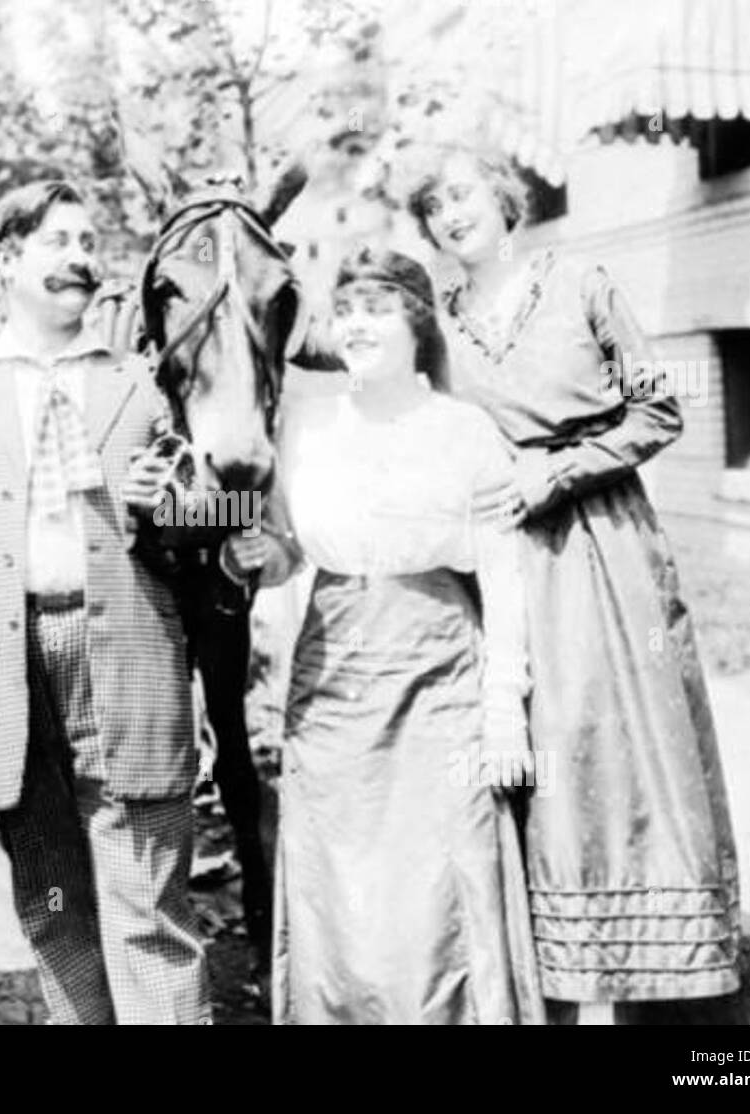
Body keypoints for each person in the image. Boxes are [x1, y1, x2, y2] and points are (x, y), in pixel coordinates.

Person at [409, 145, 742, 1023]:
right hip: (497, 557)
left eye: (462, 191)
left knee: (618, 744)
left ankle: (662, 976)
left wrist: (556, 475)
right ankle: (546, 973)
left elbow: (661, 406)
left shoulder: (583, 281)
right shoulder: (436, 325)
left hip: (599, 548)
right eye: (431, 205)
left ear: (505, 198)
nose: (449, 213)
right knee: (523, 754)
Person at [0, 179, 221, 1025]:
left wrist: (172, 505)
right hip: (4, 672)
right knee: (53, 907)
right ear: (6, 258)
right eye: (59, 241)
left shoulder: (138, 387)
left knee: (148, 906)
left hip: (128, 661)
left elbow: (207, 522)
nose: (82, 258)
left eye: (88, 242)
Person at [225, 247, 545, 1025]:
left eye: (378, 307)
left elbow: (503, 577)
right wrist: (256, 558)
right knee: (341, 893)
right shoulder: (306, 429)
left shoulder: (464, 431)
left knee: (439, 883)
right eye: (347, 310)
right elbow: (288, 553)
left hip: (440, 681)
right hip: (330, 692)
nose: (358, 324)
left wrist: (504, 711)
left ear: (418, 323)